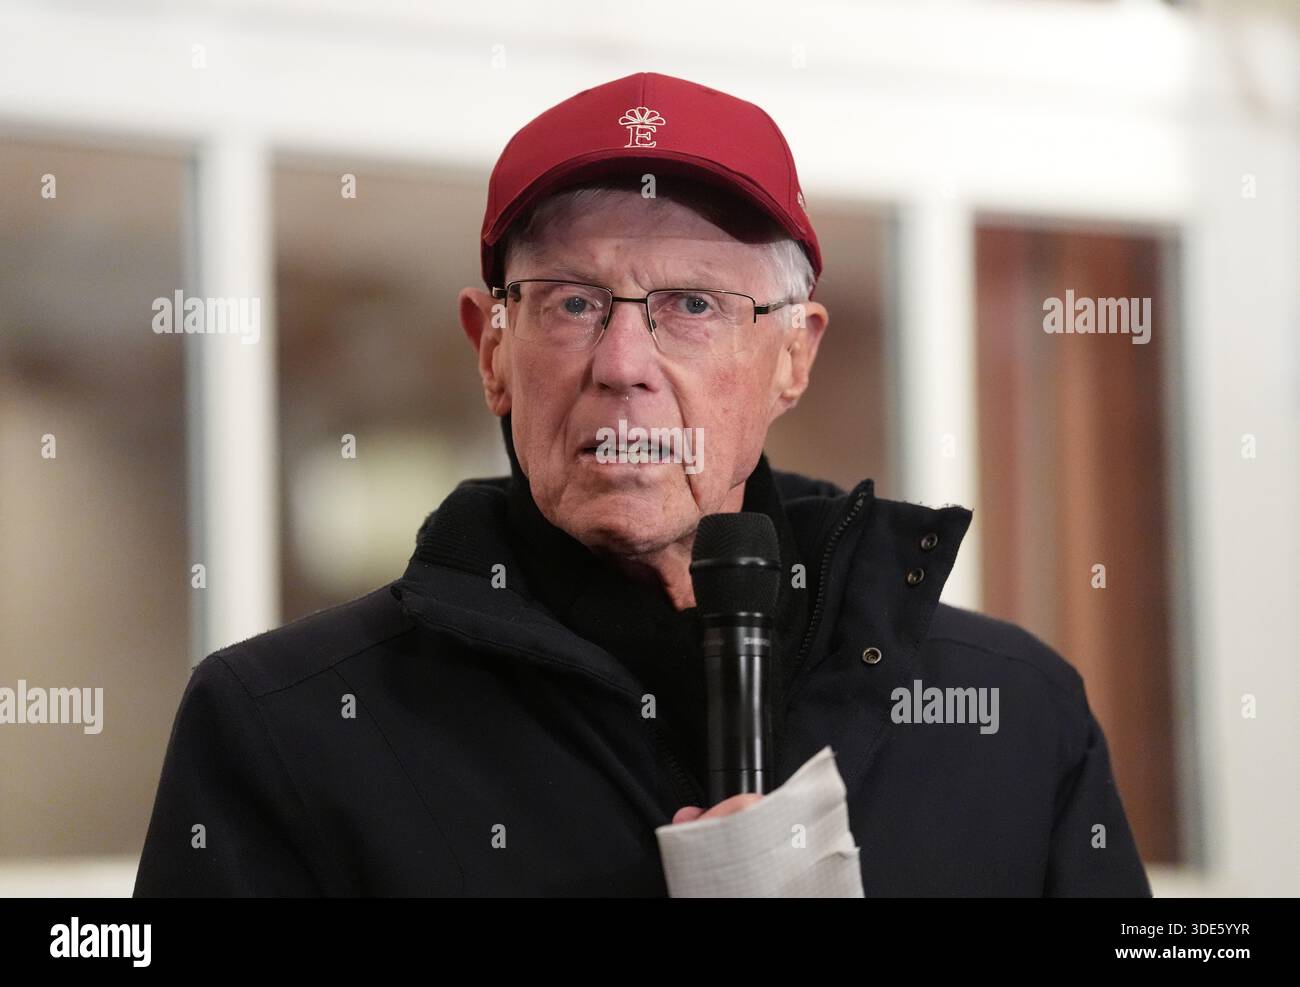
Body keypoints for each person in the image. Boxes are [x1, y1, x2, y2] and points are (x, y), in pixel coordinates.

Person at [134, 71, 1151, 897]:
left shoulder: (1008, 712)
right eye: (572, 302)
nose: (622, 361)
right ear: (491, 348)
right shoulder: (285, 725)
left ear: (794, 356)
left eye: (692, 305)